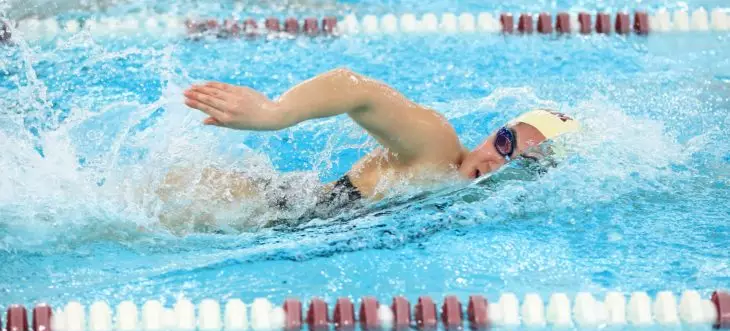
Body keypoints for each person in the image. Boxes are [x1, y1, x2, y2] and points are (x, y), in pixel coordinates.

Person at [174, 68, 579, 225]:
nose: (497, 163)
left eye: (522, 163)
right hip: (250, 204)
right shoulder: (436, 146)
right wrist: (274, 113)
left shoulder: (480, 208)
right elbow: (358, 90)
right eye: (505, 142)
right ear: (494, 133)